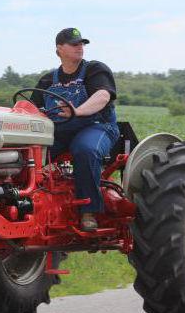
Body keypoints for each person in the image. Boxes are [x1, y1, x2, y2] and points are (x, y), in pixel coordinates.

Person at [31, 28, 119, 231]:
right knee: (29, 154)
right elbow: (32, 109)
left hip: (97, 127)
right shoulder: (47, 80)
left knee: (86, 150)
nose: (80, 47)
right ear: (59, 49)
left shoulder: (95, 70)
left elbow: (103, 96)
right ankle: (32, 205)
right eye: (74, 44)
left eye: (82, 44)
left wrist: (77, 111)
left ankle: (88, 211)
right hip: (60, 132)